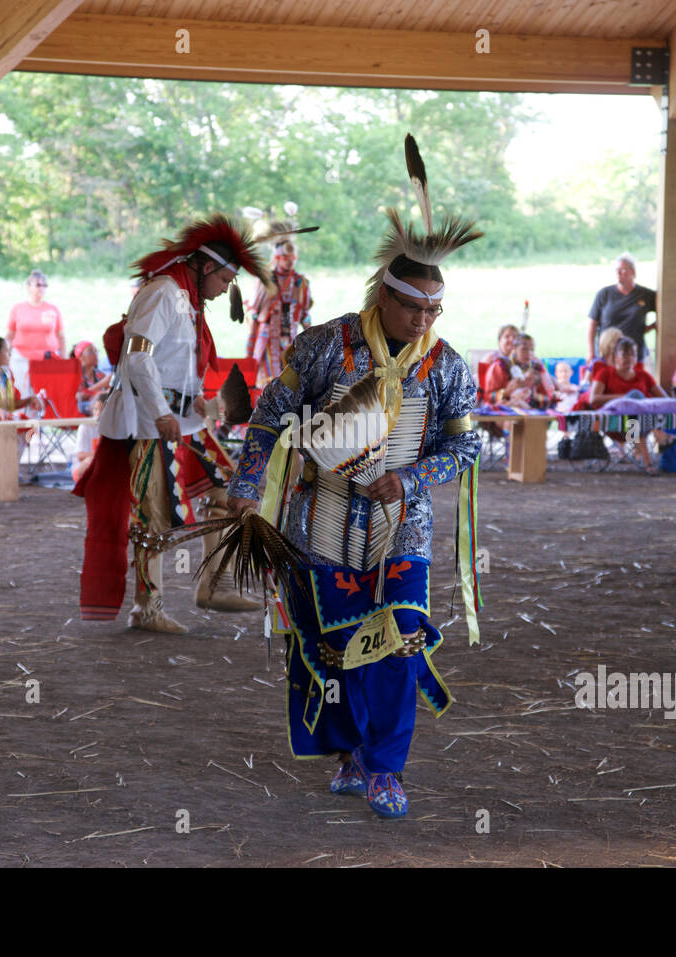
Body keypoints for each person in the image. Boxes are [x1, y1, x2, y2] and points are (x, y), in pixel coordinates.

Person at [226, 134, 483, 819]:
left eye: (434, 310)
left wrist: (415, 475)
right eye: (412, 309)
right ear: (384, 296)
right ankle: (347, 751)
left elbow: (469, 445)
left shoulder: (448, 365)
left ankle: (384, 766)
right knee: (336, 642)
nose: (424, 320)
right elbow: (268, 415)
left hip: (405, 525)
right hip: (325, 519)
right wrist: (250, 484)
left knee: (396, 635)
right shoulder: (323, 346)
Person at [74, 214, 271, 630]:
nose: (224, 291)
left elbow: (173, 360)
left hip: (181, 419)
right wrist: (162, 411)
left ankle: (212, 585)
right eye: (224, 280)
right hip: (146, 422)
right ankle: (147, 608)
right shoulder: (163, 293)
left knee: (232, 490)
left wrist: (192, 396)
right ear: (204, 267)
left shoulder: (187, 299)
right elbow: (137, 356)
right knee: (154, 515)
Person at [587, 336, 667, 473]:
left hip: (636, 425)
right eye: (624, 354)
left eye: (632, 354)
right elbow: (593, 399)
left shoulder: (643, 376)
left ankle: (649, 461)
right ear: (615, 357)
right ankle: (660, 441)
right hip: (613, 422)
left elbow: (664, 399)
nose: (629, 358)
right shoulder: (604, 373)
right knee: (634, 398)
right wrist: (625, 398)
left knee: (636, 415)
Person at [245, 224, 313, 387]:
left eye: (293, 259)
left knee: (289, 387)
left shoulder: (300, 282)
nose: (290, 263)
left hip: (291, 340)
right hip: (268, 340)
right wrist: (250, 348)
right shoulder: (265, 280)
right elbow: (253, 315)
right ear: (277, 257)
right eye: (286, 259)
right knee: (267, 387)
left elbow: (305, 314)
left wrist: (312, 338)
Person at [587, 253, 655, 362]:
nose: (618, 273)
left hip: (633, 354)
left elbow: (666, 310)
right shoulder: (604, 294)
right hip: (607, 353)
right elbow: (592, 324)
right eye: (616, 270)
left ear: (633, 272)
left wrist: (651, 327)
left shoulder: (645, 295)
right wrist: (591, 353)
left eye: (623, 270)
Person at [483, 333, 553, 410]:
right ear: (514, 348)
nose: (529, 353)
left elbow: (549, 396)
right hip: (504, 411)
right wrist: (507, 392)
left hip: (530, 412)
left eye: (532, 349)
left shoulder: (537, 368)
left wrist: (535, 396)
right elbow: (487, 396)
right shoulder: (500, 365)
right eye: (524, 349)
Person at [6, 270, 64, 362]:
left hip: (49, 357)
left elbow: (61, 336)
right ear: (29, 287)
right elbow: (10, 335)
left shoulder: (53, 309)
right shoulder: (17, 308)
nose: (41, 288)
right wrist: (6, 355)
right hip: (21, 358)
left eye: (44, 285)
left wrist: (63, 358)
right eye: (38, 285)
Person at [72, 341, 110, 415]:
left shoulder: (100, 375)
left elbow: (109, 391)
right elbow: (77, 397)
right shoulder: (75, 376)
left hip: (99, 408)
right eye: (90, 351)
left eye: (96, 351)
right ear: (80, 357)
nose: (95, 354)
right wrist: (102, 384)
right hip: (82, 409)